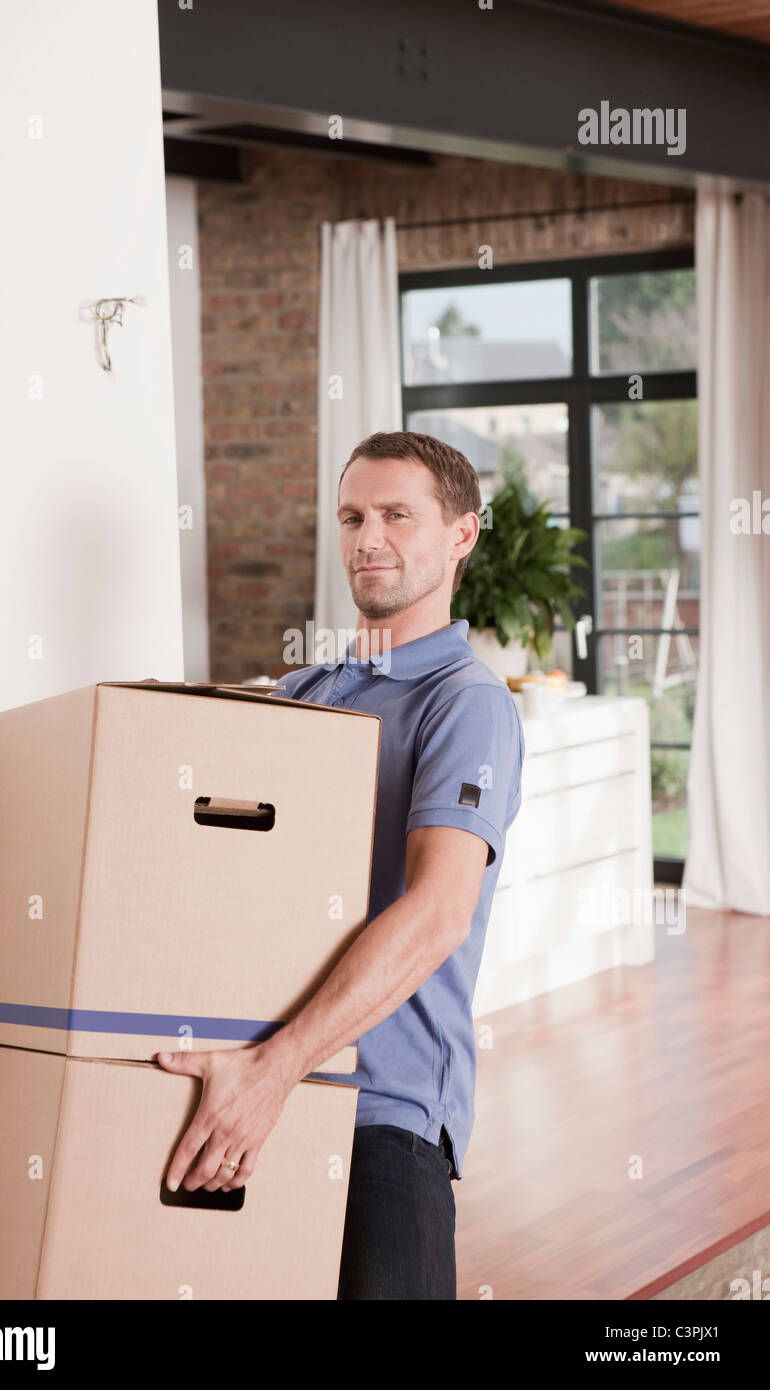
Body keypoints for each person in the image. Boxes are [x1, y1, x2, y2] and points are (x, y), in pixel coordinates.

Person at [158, 430, 525, 1300]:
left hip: (380, 1118)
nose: (369, 539)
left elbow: (440, 912)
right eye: (354, 515)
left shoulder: (465, 705)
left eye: (399, 515)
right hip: (254, 1089)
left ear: (461, 536)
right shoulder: (306, 693)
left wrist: (273, 1071)